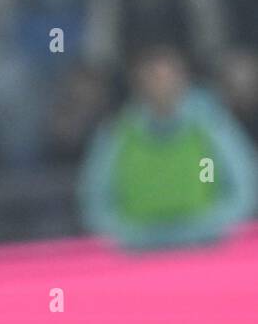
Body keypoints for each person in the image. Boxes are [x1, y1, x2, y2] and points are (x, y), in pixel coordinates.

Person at [78, 45, 257, 250]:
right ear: (138, 83)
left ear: (183, 78)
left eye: (167, 76)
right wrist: (131, 235)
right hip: (137, 254)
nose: (161, 85)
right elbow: (95, 198)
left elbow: (243, 185)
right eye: (153, 77)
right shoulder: (116, 133)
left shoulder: (212, 125)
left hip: (204, 248)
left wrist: (209, 227)